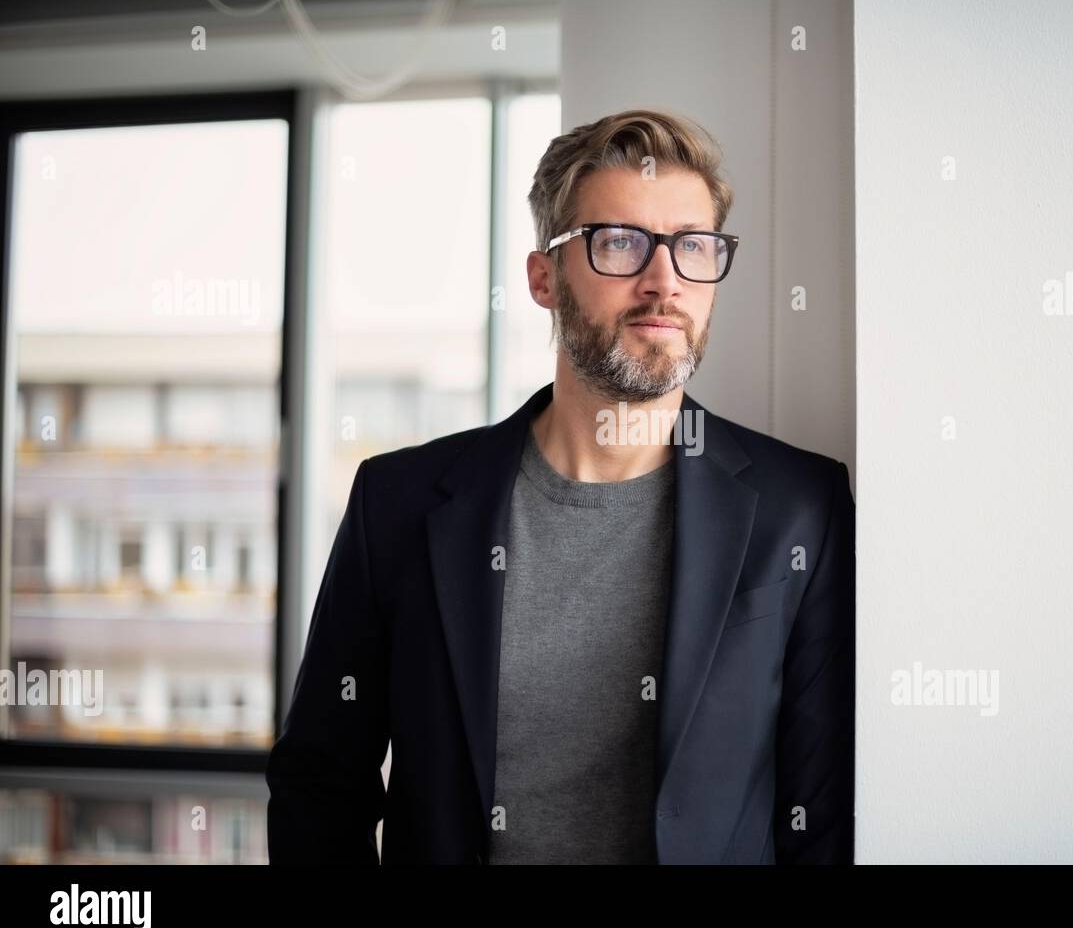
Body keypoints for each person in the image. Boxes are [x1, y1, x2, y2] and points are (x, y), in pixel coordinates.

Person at [266, 108, 855, 864]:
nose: (663, 281)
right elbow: (321, 781)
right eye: (619, 243)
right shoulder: (400, 505)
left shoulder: (800, 510)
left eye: (693, 247)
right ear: (544, 278)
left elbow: (820, 818)